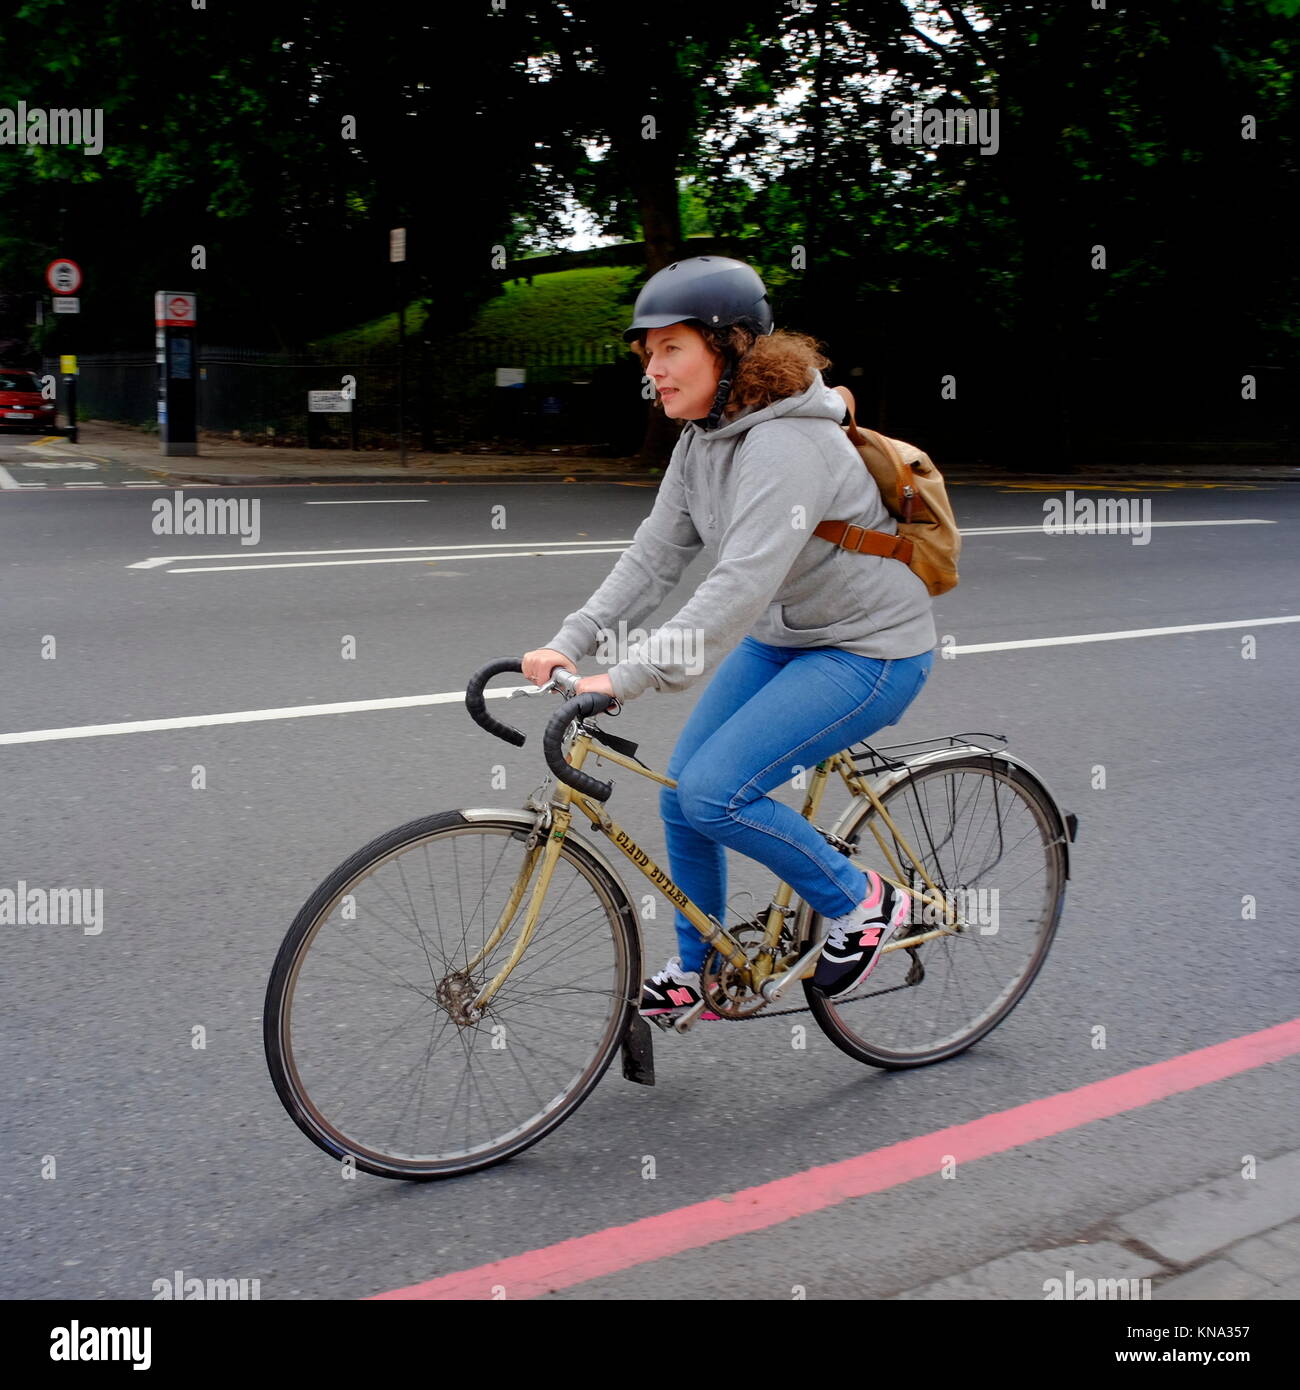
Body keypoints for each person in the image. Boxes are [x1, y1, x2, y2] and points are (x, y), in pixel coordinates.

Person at [521, 255, 936, 1018]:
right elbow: (656, 557)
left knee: (716, 794)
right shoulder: (702, 438)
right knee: (686, 795)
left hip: (869, 650)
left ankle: (866, 902)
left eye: (671, 348)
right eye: (647, 352)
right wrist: (572, 641)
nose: (654, 369)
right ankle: (702, 968)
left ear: (734, 345)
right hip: (786, 639)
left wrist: (628, 675)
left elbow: (736, 587)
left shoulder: (786, 447)